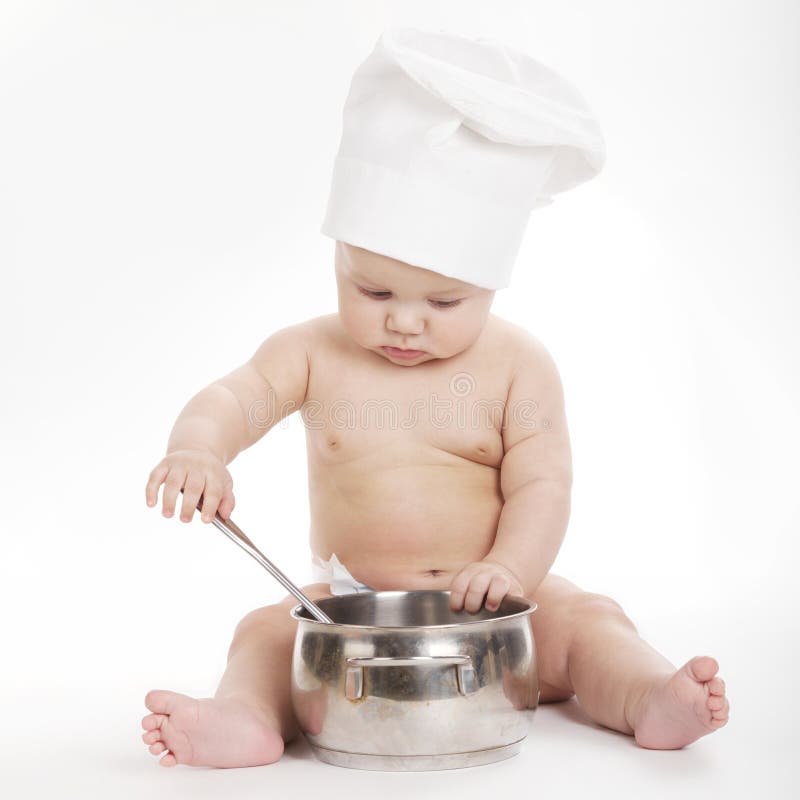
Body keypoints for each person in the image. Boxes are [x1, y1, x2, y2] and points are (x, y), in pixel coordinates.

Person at [140, 28, 729, 768]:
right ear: (338, 257)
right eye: (374, 289)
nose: (404, 321)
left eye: (445, 302)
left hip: (499, 609)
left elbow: (544, 482)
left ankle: (647, 696)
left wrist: (513, 569)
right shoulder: (312, 352)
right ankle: (248, 716)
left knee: (587, 620)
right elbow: (237, 395)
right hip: (348, 611)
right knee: (264, 633)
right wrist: (198, 449)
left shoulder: (518, 364)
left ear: (491, 282)